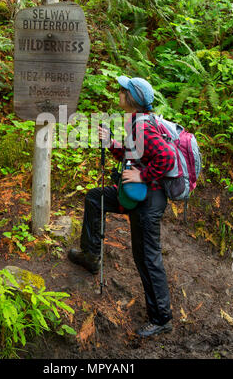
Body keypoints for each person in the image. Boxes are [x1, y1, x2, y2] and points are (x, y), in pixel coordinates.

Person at [68, 76, 175, 338]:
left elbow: (167, 157)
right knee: (96, 198)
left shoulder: (143, 128)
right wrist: (112, 144)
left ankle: (162, 318)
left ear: (132, 98)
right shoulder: (137, 122)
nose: (119, 93)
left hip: (148, 200)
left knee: (147, 258)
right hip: (133, 194)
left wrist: (143, 176)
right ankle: (91, 257)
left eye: (122, 90)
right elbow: (134, 154)